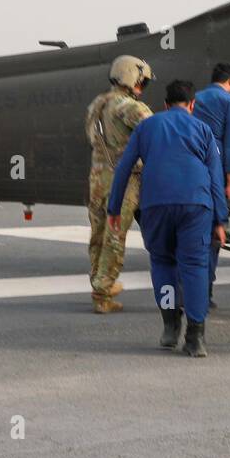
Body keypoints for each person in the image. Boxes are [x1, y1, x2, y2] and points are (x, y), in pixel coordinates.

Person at [107, 80, 229, 358]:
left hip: (156, 203)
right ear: (192, 105)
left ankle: (170, 325)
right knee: (195, 266)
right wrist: (220, 219)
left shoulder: (146, 126)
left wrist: (114, 209)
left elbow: (124, 167)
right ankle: (195, 337)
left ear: (165, 104)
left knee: (162, 263)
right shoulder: (203, 129)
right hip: (195, 204)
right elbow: (215, 176)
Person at [84, 55, 153, 314]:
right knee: (115, 235)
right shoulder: (130, 107)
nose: (142, 86)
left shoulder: (97, 105)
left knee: (98, 233)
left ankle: (98, 282)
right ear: (131, 78)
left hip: (98, 177)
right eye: (141, 81)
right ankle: (102, 293)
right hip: (124, 179)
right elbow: (156, 131)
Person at [193, 62, 230, 309]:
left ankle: (188, 288)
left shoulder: (196, 98)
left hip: (190, 168)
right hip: (215, 168)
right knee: (215, 228)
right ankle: (206, 290)